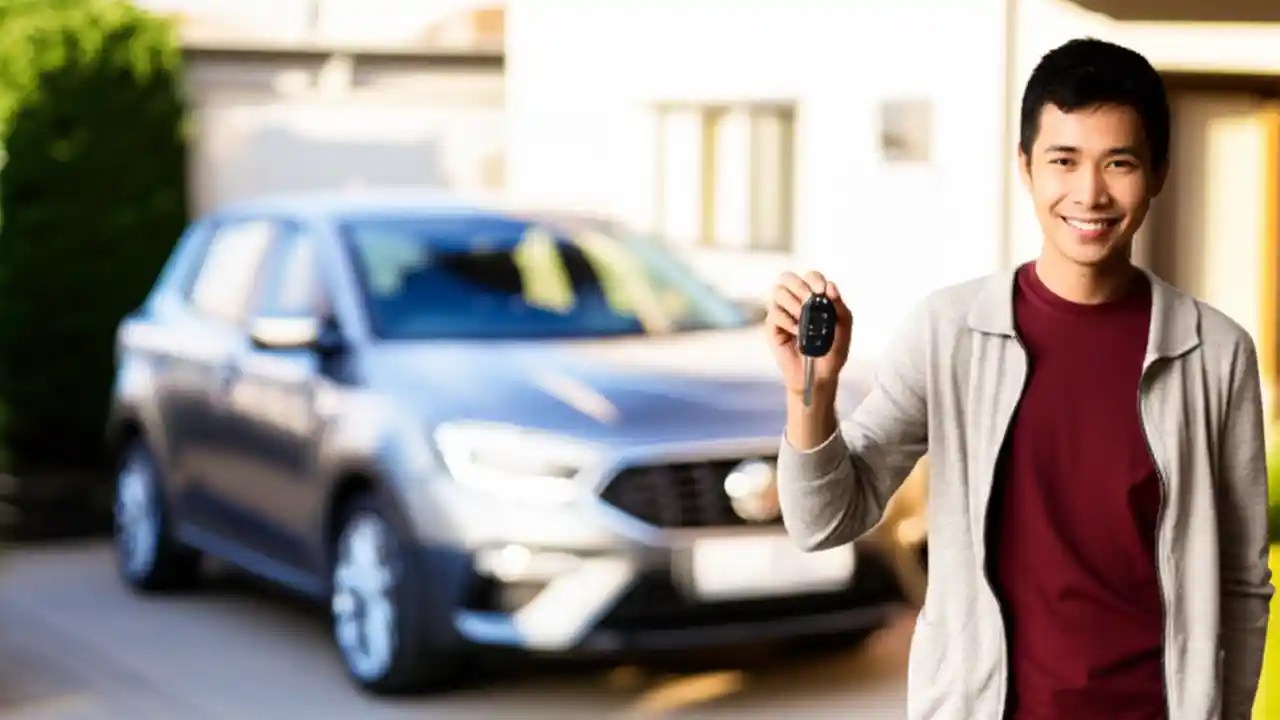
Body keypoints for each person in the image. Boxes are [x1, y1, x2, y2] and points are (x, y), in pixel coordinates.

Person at [767, 37, 1272, 720]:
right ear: (1025, 168)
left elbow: (1241, 580)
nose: (1089, 193)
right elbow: (823, 521)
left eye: (1119, 162)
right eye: (1064, 160)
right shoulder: (949, 331)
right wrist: (812, 394)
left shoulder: (1215, 353)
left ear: (1158, 173)